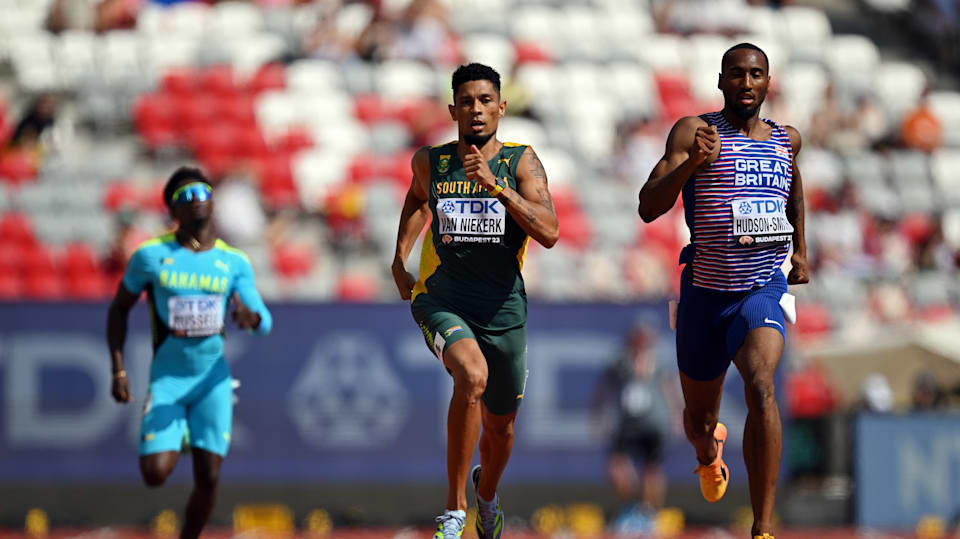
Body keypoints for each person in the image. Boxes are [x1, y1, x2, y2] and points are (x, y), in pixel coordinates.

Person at [638, 43, 809, 539]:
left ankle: (762, 526)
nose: (747, 83)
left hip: (760, 289)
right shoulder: (694, 132)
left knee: (761, 387)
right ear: (721, 81)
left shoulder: (786, 140)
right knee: (698, 419)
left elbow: (793, 191)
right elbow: (649, 207)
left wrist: (800, 250)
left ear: (768, 83)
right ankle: (707, 454)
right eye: (737, 74)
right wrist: (692, 163)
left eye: (756, 74)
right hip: (705, 293)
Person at [391, 63, 559, 539]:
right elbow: (416, 200)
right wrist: (399, 258)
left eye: (486, 101)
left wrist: (496, 188)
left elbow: (549, 233)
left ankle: (486, 496)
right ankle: (454, 508)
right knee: (471, 375)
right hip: (440, 300)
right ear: (453, 110)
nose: (477, 110)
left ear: (502, 108)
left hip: (503, 311)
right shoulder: (431, 161)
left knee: (501, 430)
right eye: (467, 102)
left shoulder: (521, 163)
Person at [106, 166, 273, 539]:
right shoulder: (150, 256)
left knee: (209, 477)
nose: (195, 201)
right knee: (154, 475)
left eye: (201, 193)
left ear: (213, 202)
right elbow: (119, 308)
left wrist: (249, 317)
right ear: (172, 211)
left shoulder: (233, 262)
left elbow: (265, 322)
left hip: (212, 381)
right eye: (185, 197)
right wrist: (118, 369)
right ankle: (180, 431)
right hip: (168, 379)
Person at [590, 322, 681, 531]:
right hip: (627, 423)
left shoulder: (660, 361)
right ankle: (633, 505)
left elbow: (670, 388)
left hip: (653, 422)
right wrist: (598, 414)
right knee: (617, 465)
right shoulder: (620, 362)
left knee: (652, 468)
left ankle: (649, 514)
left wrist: (677, 416)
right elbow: (603, 389)